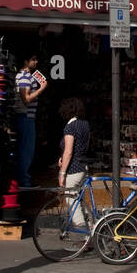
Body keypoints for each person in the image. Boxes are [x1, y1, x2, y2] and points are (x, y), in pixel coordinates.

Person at [12, 52, 47, 188]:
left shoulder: (23, 76)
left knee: (24, 150)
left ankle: (23, 179)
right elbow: (26, 99)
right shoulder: (25, 77)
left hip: (25, 117)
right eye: (33, 59)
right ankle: (24, 181)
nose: (36, 62)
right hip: (26, 117)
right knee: (26, 150)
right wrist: (42, 88)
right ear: (26, 61)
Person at [56, 97, 91, 226]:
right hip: (83, 166)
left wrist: (62, 173)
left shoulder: (70, 126)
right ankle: (91, 228)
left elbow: (68, 151)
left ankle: (84, 230)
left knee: (72, 200)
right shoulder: (85, 124)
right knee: (80, 201)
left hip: (73, 169)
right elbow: (84, 146)